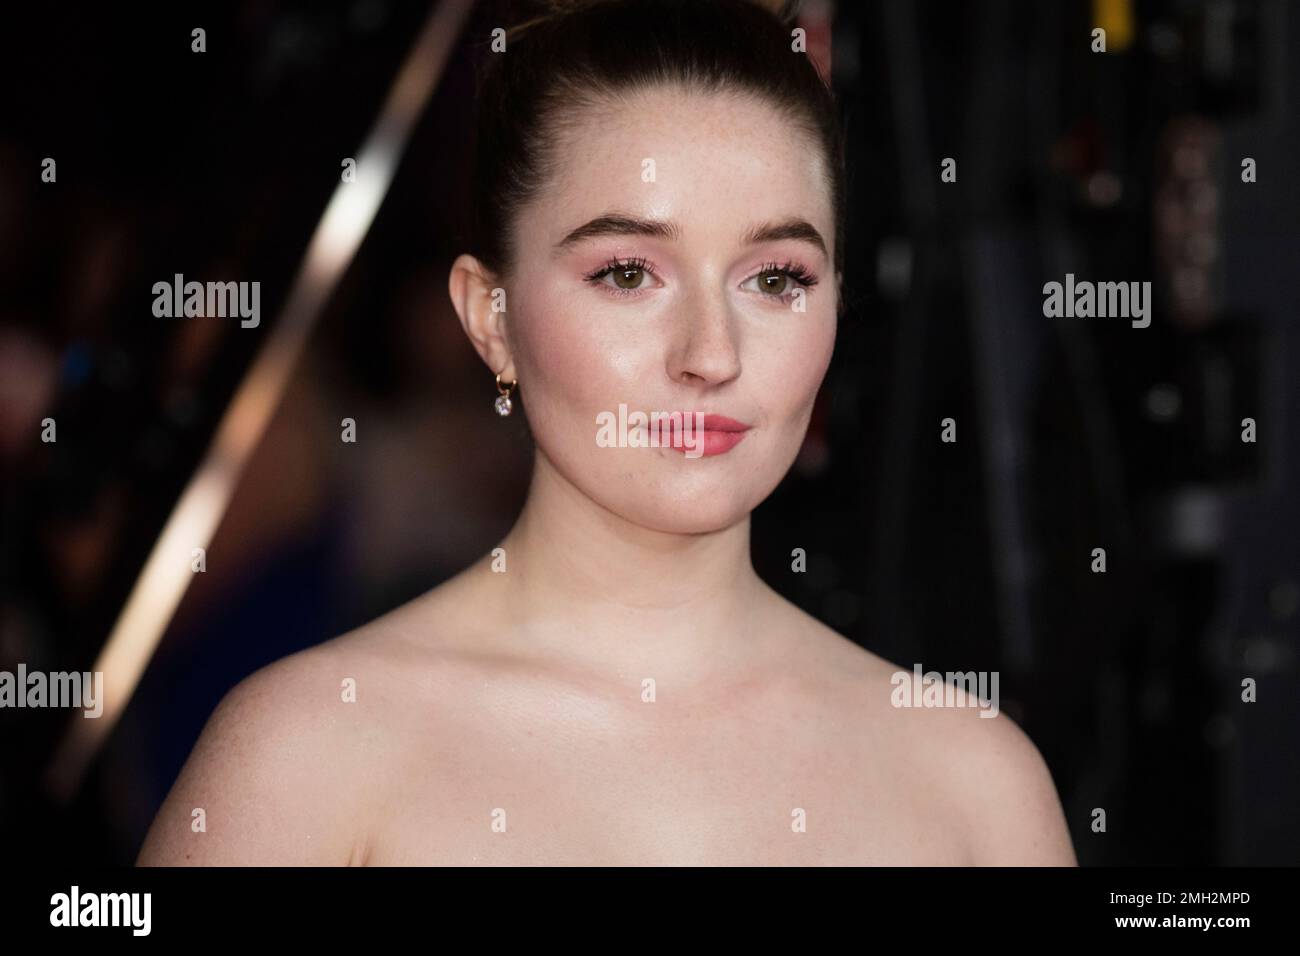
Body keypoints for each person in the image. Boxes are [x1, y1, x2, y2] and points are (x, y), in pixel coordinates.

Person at [138, 0, 1077, 866]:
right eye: (628, 273)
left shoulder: (974, 784)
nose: (712, 354)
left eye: (776, 278)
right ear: (490, 316)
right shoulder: (303, 755)